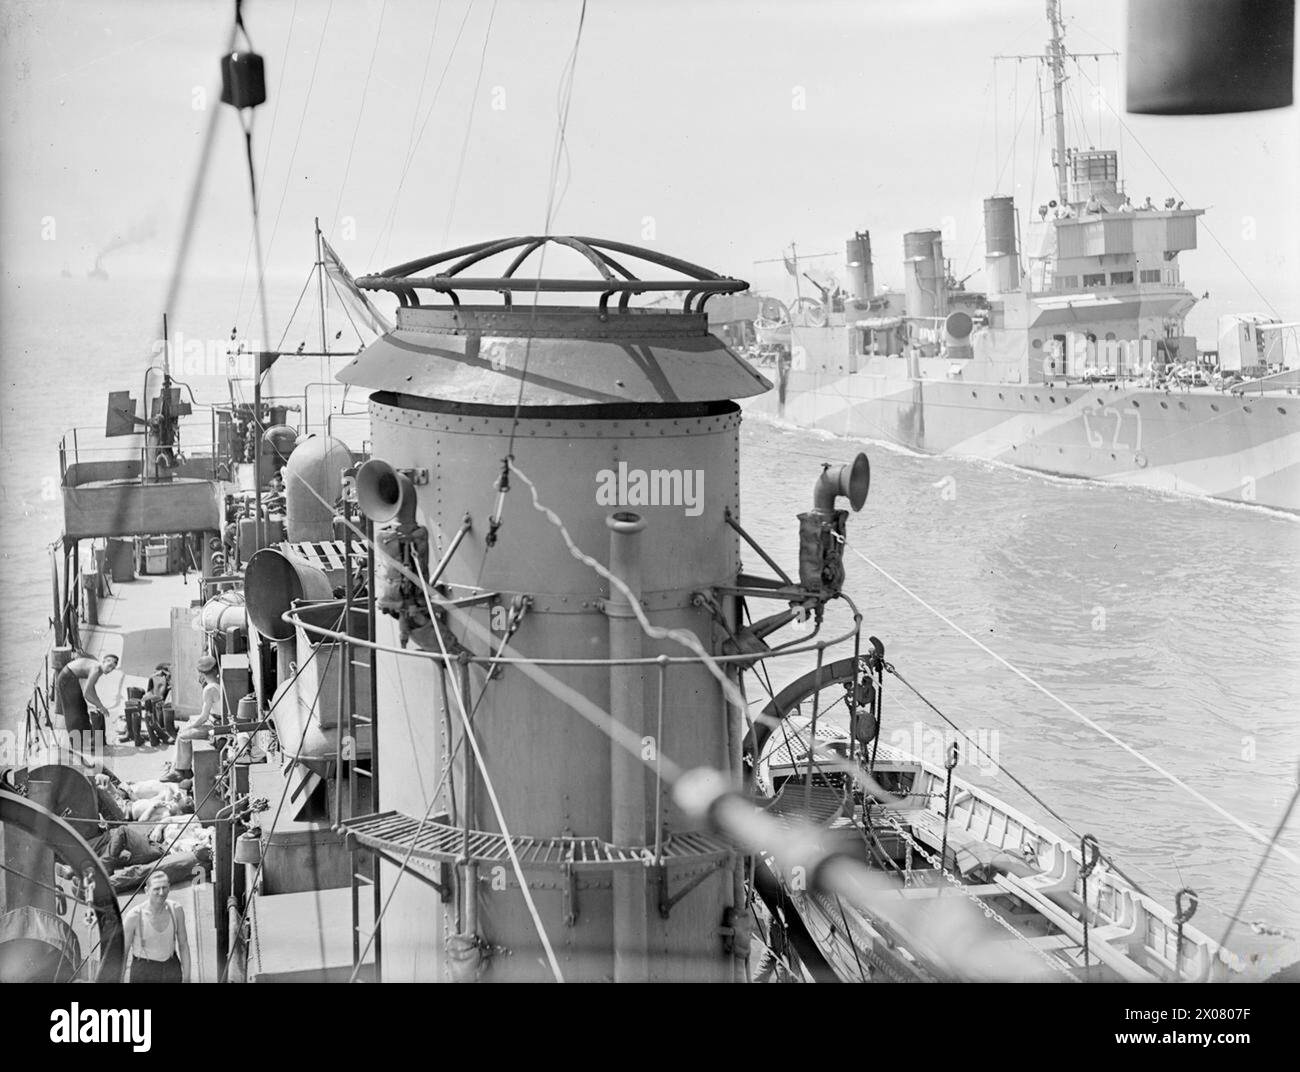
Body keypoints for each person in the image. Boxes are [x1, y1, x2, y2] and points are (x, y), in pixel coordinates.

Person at [122, 871, 190, 983]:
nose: (161, 892)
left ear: (169, 888)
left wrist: (187, 978)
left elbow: (183, 945)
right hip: (144, 971)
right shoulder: (134, 916)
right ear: (146, 891)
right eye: (156, 889)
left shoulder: (176, 910)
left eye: (164, 888)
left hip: (171, 967)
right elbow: (123, 953)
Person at [162, 655, 220, 783]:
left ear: (201, 673)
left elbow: (204, 717)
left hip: (216, 727)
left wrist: (191, 726)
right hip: (216, 721)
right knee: (186, 728)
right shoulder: (217, 685)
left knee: (183, 735)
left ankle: (181, 771)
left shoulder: (209, 689)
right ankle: (177, 768)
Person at [56, 653, 118, 737]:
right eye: (109, 666)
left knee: (82, 707)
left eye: (113, 668)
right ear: (104, 661)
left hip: (72, 678)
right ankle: (76, 742)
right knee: (73, 712)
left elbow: (91, 688)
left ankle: (86, 736)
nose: (110, 670)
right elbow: (87, 693)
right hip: (66, 679)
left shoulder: (99, 668)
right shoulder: (96, 670)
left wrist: (98, 703)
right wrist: (100, 706)